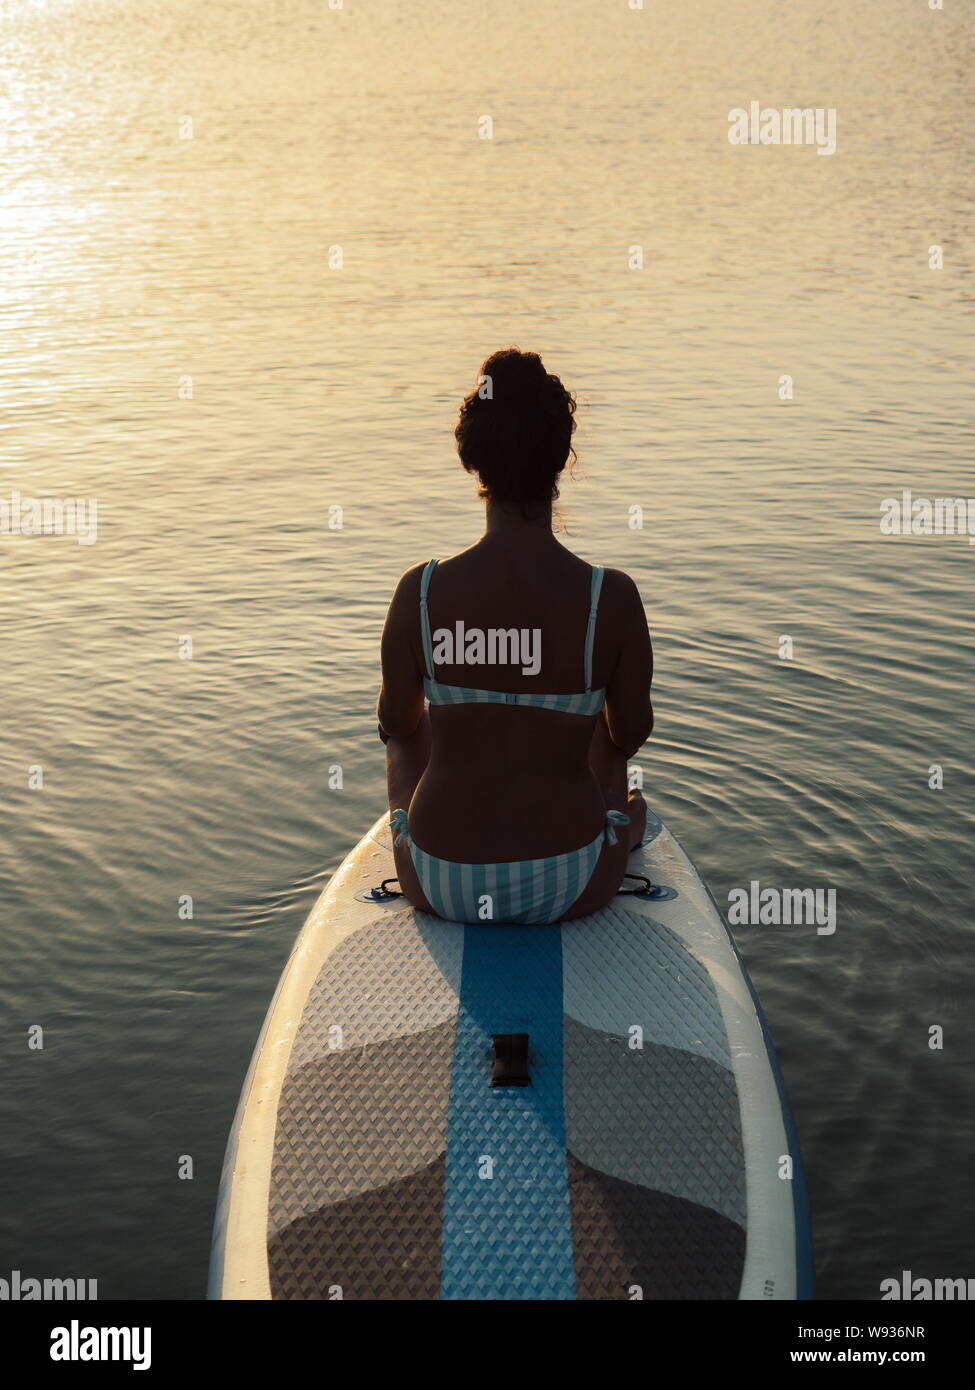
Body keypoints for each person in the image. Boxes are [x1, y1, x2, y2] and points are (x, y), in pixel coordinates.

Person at [377, 347, 653, 924]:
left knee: (405, 726)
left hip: (441, 881)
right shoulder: (609, 597)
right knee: (606, 727)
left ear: (472, 460)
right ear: (560, 459)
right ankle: (620, 828)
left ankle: (405, 828)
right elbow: (629, 735)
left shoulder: (420, 592)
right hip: (570, 879)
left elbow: (398, 727)